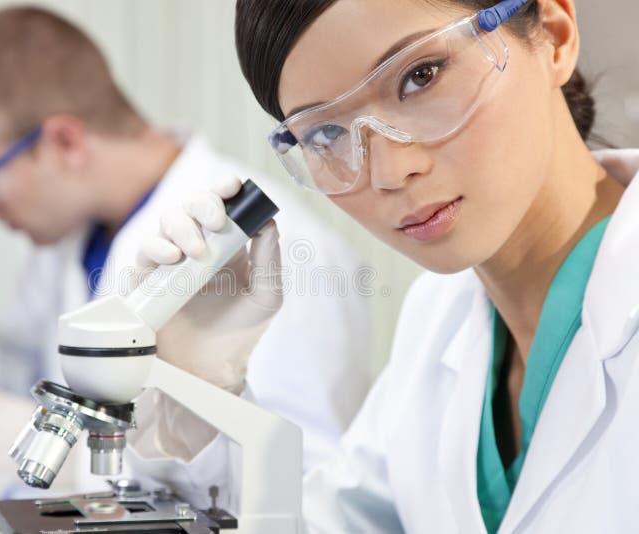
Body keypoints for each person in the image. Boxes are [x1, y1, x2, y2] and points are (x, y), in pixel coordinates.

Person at [133, 0, 639, 531]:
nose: (392, 171)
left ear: (555, 36)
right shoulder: (435, 321)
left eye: (421, 76)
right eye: (325, 133)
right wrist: (198, 400)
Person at [0, 6, 373, 494]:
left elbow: (309, 480)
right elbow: (7, 391)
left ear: (64, 142)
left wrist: (97, 470)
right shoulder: (68, 239)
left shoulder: (270, 247)